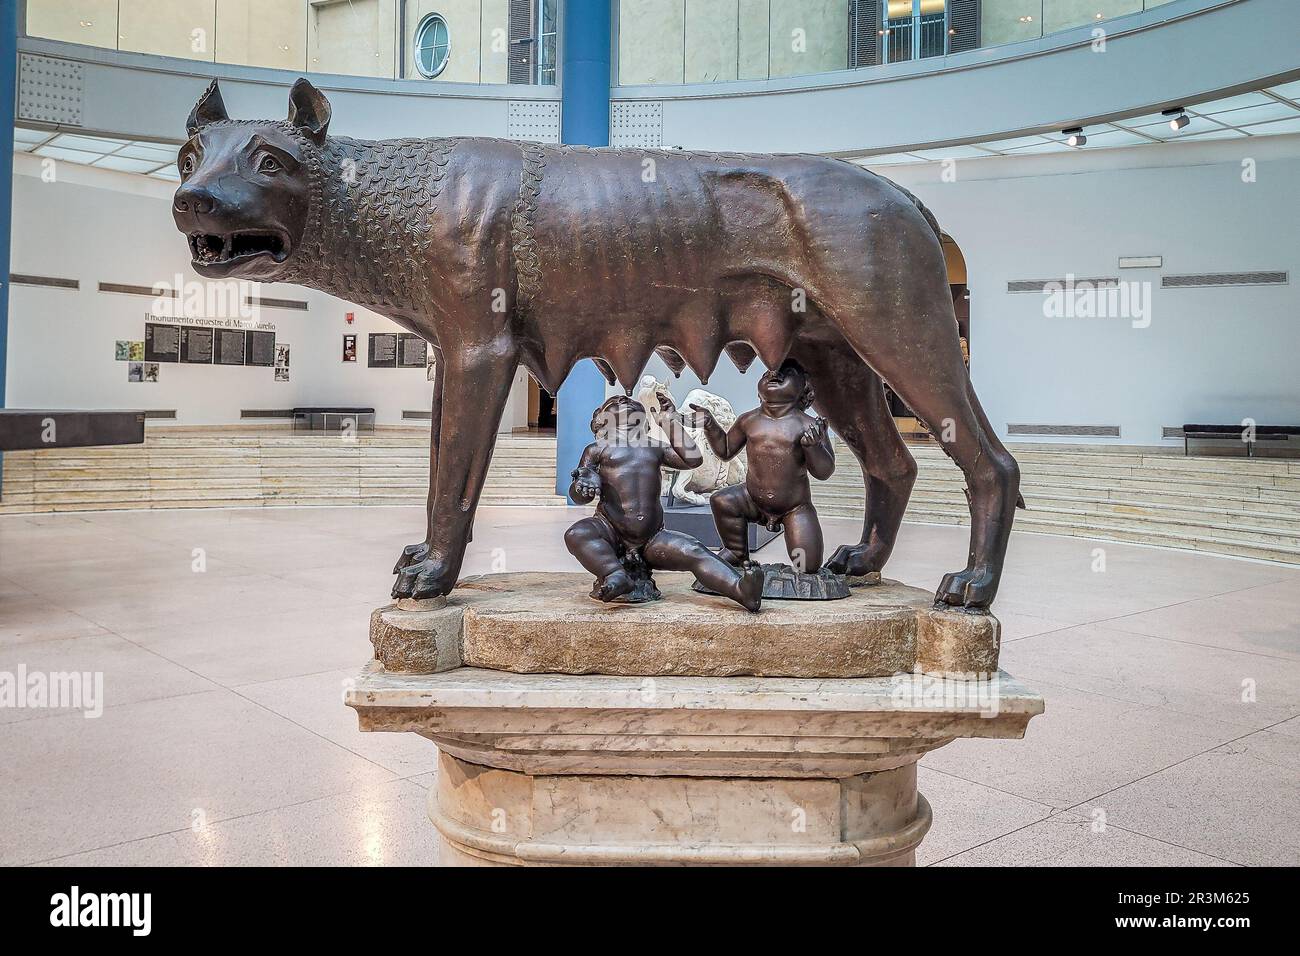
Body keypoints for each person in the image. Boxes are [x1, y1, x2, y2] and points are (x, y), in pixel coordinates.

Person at [564, 395, 764, 612]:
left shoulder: (655, 447)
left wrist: (670, 423)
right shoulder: (596, 450)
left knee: (694, 550)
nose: (625, 400)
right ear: (603, 419)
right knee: (577, 533)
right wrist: (585, 483)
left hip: (652, 538)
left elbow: (692, 459)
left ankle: (742, 591)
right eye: (617, 403)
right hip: (610, 531)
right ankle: (614, 574)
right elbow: (578, 495)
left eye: (630, 403)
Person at [685, 359, 835, 573]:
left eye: (786, 373)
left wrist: (813, 448)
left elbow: (824, 472)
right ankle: (736, 551)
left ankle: (802, 567)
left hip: (794, 506)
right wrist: (710, 425)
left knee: (806, 566)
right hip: (752, 499)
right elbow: (726, 450)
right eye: (768, 373)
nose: (774, 375)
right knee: (722, 501)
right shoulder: (749, 420)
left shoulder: (809, 425)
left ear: (804, 387)